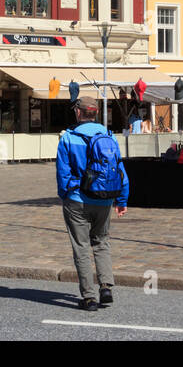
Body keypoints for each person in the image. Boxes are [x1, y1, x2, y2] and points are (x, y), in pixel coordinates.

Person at [56, 100, 129, 311]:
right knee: (102, 242)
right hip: (104, 199)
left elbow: (63, 174)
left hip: (77, 199)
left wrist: (66, 196)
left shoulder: (68, 137)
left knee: (81, 247)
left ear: (78, 113)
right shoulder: (109, 137)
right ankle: (106, 287)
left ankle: (89, 298)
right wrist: (121, 200)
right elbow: (120, 170)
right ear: (96, 113)